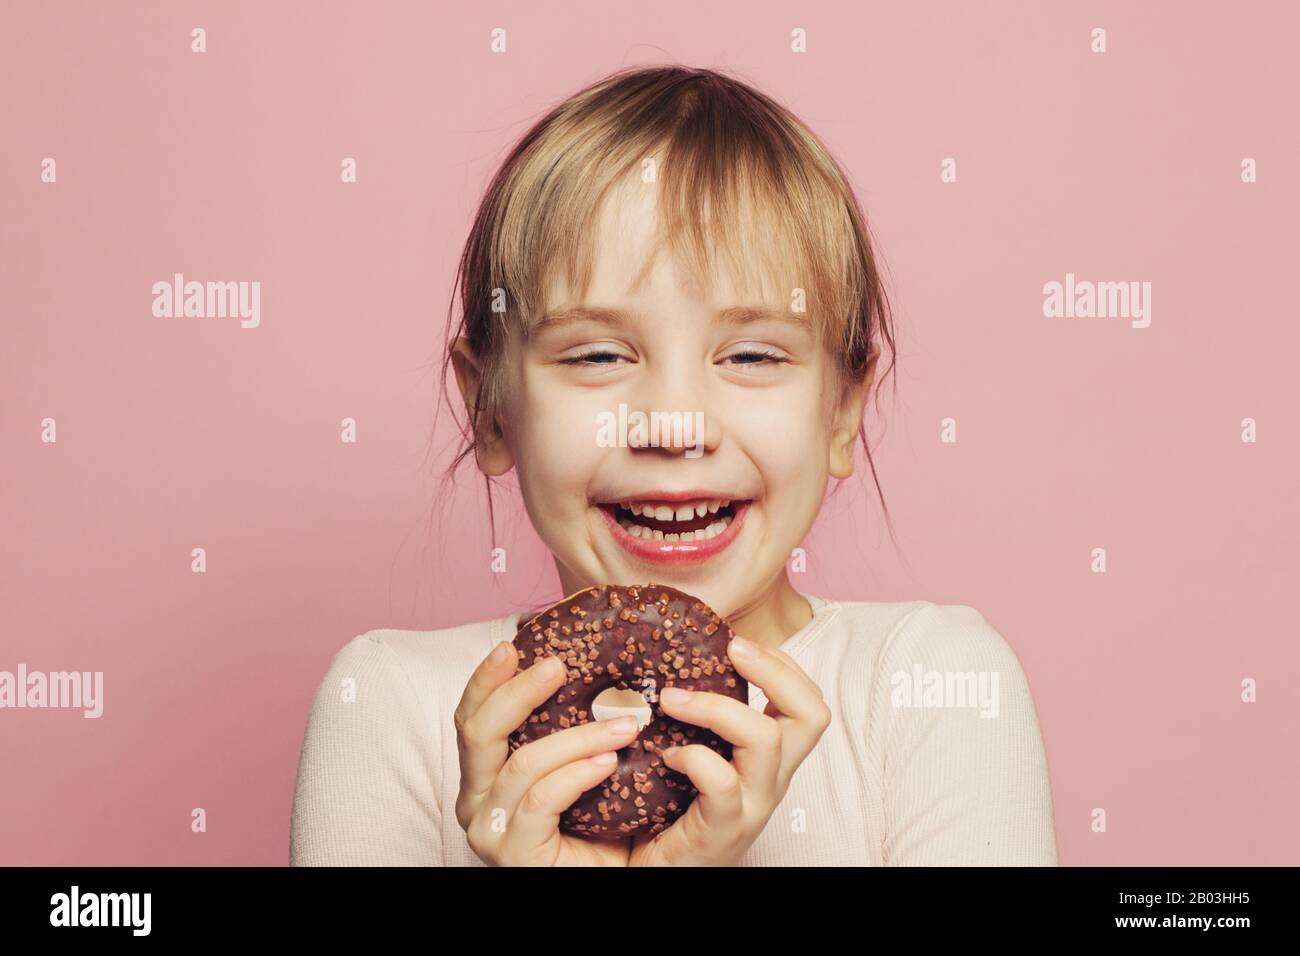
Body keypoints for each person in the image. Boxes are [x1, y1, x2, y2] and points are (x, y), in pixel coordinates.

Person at [290, 64, 1057, 866]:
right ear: (490, 408)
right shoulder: (389, 703)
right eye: (595, 354)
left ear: (841, 411)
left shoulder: (933, 686)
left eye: (753, 355)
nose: (673, 425)